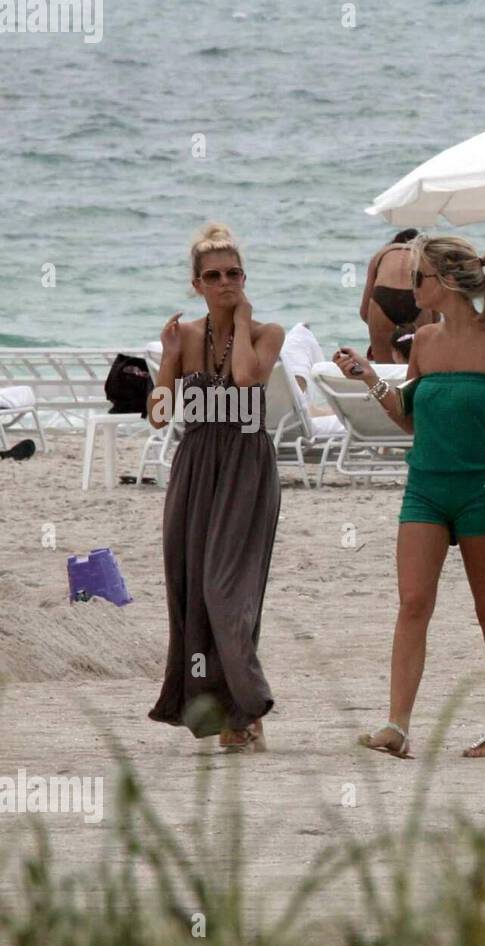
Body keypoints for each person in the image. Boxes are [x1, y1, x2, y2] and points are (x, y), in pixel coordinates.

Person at [336, 235, 485, 759]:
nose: (410, 290)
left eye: (418, 279)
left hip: (483, 491)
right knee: (413, 604)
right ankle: (397, 726)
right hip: (425, 490)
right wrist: (368, 377)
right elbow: (407, 416)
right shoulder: (424, 344)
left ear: (447, 282)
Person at [147, 223, 283, 752]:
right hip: (196, 463)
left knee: (227, 591)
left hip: (247, 463)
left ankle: (250, 706)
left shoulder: (268, 331)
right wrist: (166, 357)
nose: (226, 282)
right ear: (196, 283)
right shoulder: (183, 338)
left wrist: (243, 320)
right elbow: (160, 417)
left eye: (234, 273)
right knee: (192, 592)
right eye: (214, 275)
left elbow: (247, 380)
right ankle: (229, 718)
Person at [360, 229, 433, 363]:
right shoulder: (425, 255)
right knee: (422, 364)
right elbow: (435, 312)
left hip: (383, 296)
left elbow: (364, 313)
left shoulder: (381, 254)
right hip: (415, 297)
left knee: (384, 368)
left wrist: (379, 338)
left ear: (394, 241)